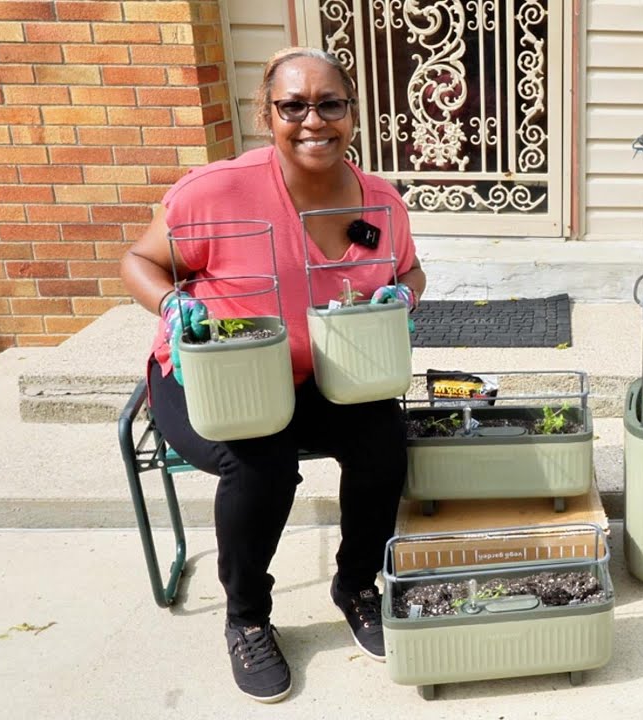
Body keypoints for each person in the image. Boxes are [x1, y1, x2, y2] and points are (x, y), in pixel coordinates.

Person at [120, 46, 426, 703]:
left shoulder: (381, 203)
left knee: (382, 440)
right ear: (268, 113)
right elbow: (141, 262)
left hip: (328, 374)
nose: (313, 120)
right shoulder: (217, 191)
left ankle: (356, 584)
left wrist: (401, 299)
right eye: (293, 105)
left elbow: (407, 272)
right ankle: (248, 617)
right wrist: (176, 305)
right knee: (261, 463)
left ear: (352, 113)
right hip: (220, 378)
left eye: (330, 104)